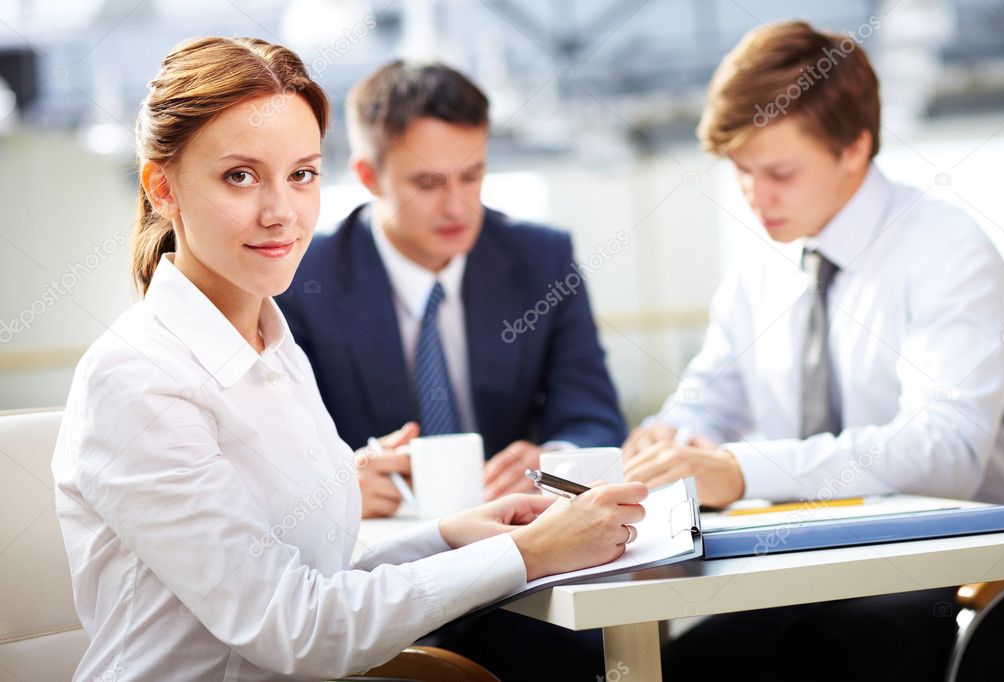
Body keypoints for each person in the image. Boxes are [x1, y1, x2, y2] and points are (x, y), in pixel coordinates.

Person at [51, 36, 647, 682]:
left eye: (302, 175)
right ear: (161, 188)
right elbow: (296, 628)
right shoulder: (137, 378)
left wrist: (450, 536)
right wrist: (527, 555)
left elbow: (320, 580)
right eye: (240, 176)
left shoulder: (271, 346)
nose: (281, 213)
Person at [621, 21, 1004, 680]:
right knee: (685, 665)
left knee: (809, 656)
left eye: (778, 172)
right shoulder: (761, 272)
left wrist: (739, 470)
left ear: (854, 147)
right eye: (741, 172)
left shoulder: (947, 251)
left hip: (952, 573)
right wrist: (670, 438)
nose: (755, 197)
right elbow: (709, 399)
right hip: (808, 570)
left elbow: (945, 452)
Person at [276, 60, 626, 519]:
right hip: (379, 537)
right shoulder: (299, 279)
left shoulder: (543, 262)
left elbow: (593, 416)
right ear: (369, 176)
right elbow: (279, 451)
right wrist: (335, 480)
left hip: (513, 528)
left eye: (471, 176)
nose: (458, 207)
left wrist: (556, 462)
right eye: (428, 183)